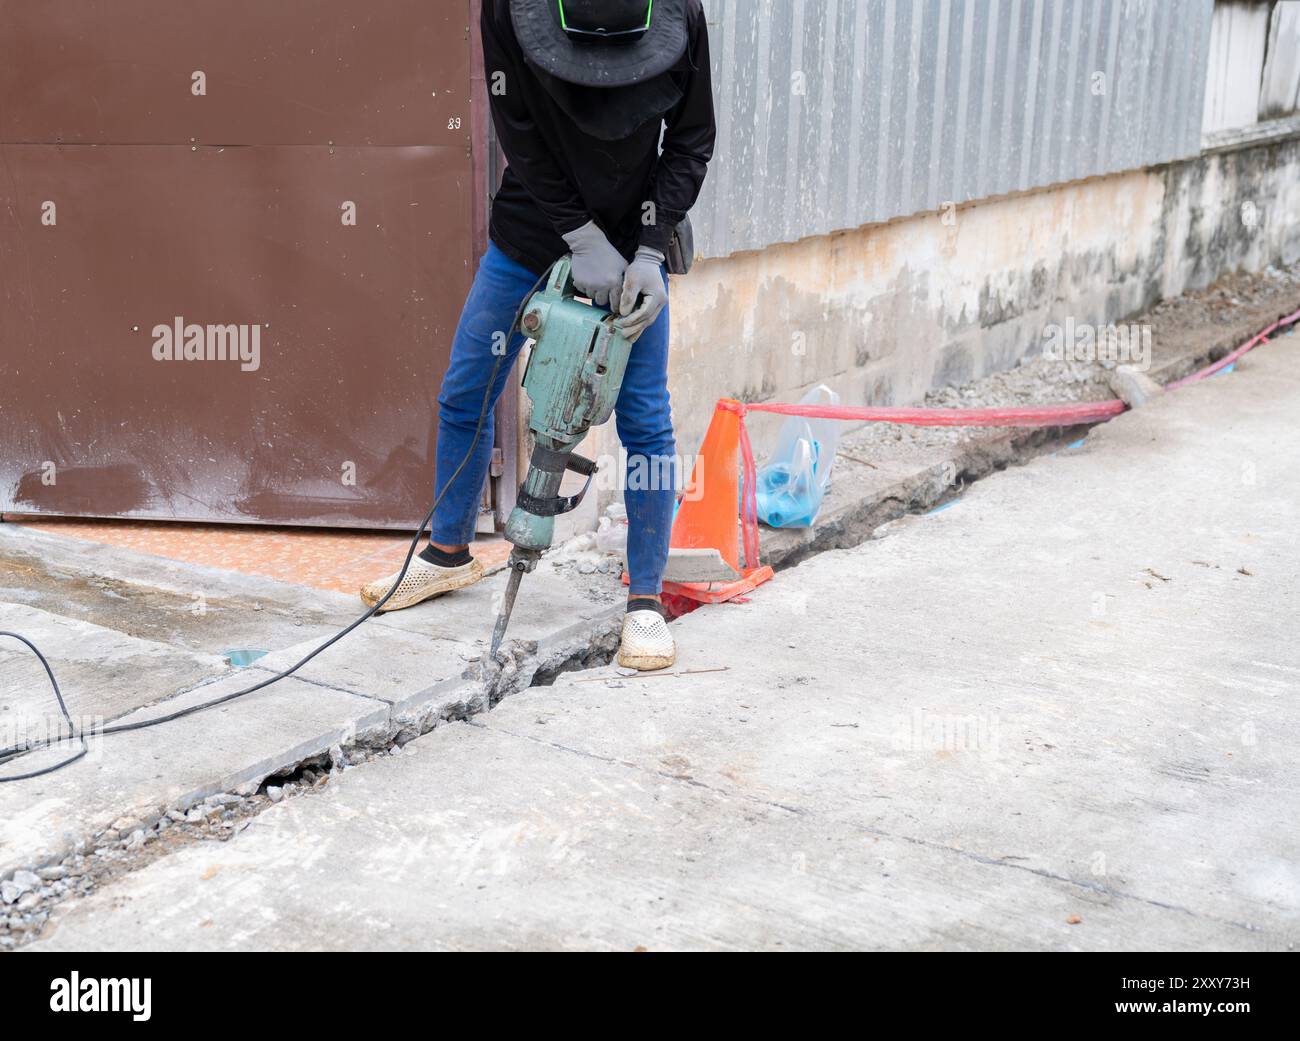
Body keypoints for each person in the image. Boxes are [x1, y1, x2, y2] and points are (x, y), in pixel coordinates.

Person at [361, 0, 715, 671]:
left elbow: (692, 138)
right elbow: (517, 130)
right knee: (467, 388)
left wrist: (646, 248)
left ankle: (644, 600)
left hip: (637, 237)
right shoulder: (508, 8)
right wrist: (578, 236)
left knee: (646, 421)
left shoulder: (682, 13)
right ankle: (447, 554)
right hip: (532, 229)